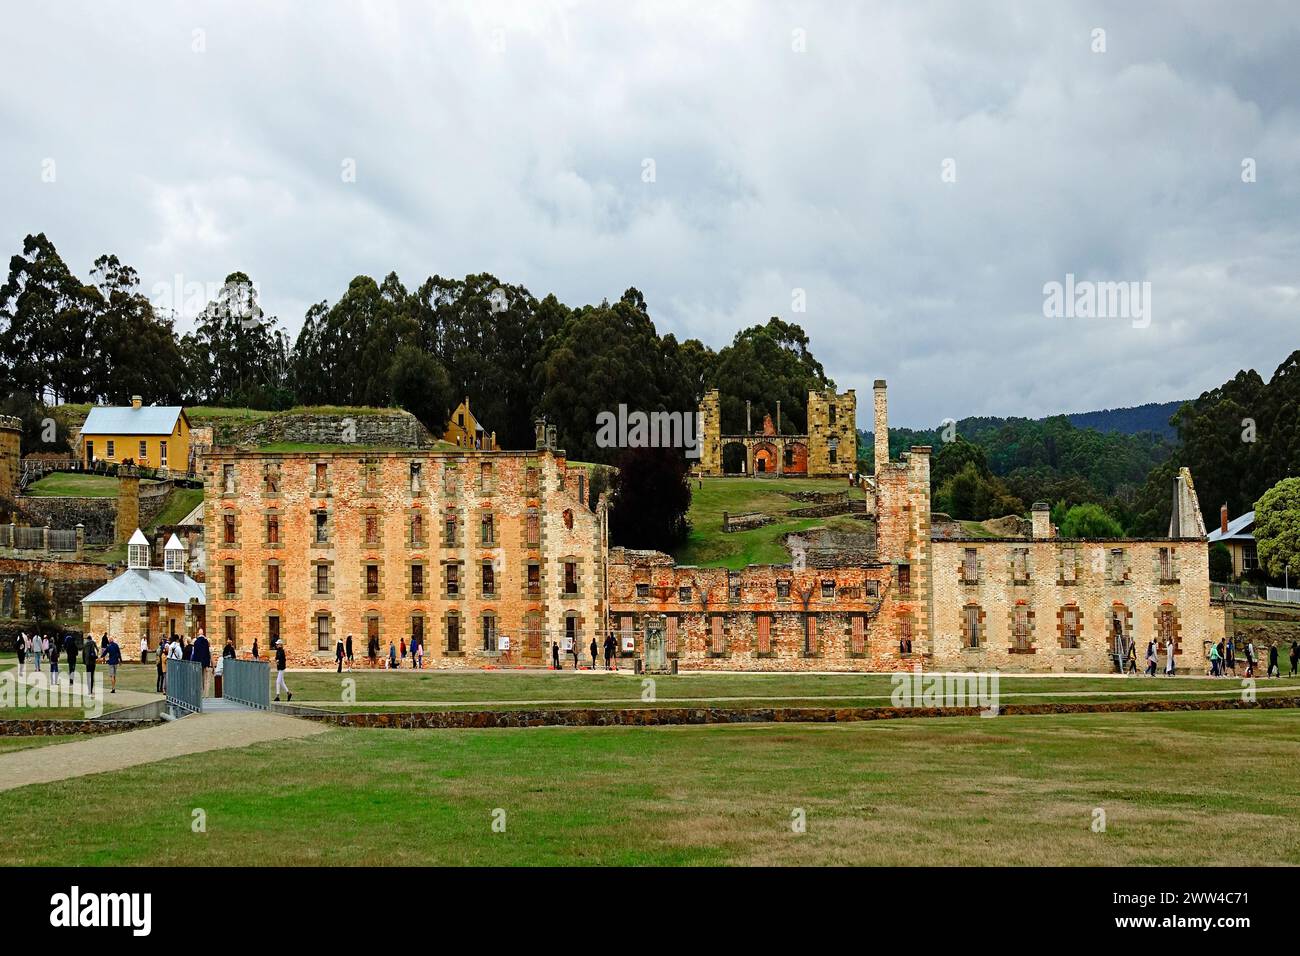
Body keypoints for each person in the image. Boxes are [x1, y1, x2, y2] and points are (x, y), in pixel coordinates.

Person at [192, 629, 212, 697]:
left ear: (198, 634)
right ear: (203, 633)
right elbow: (207, 653)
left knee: (199, 678)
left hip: (198, 662)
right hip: (205, 662)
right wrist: (207, 663)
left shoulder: (196, 642)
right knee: (205, 678)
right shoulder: (206, 641)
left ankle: (200, 693)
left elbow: (195, 654)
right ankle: (205, 694)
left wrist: (194, 662)